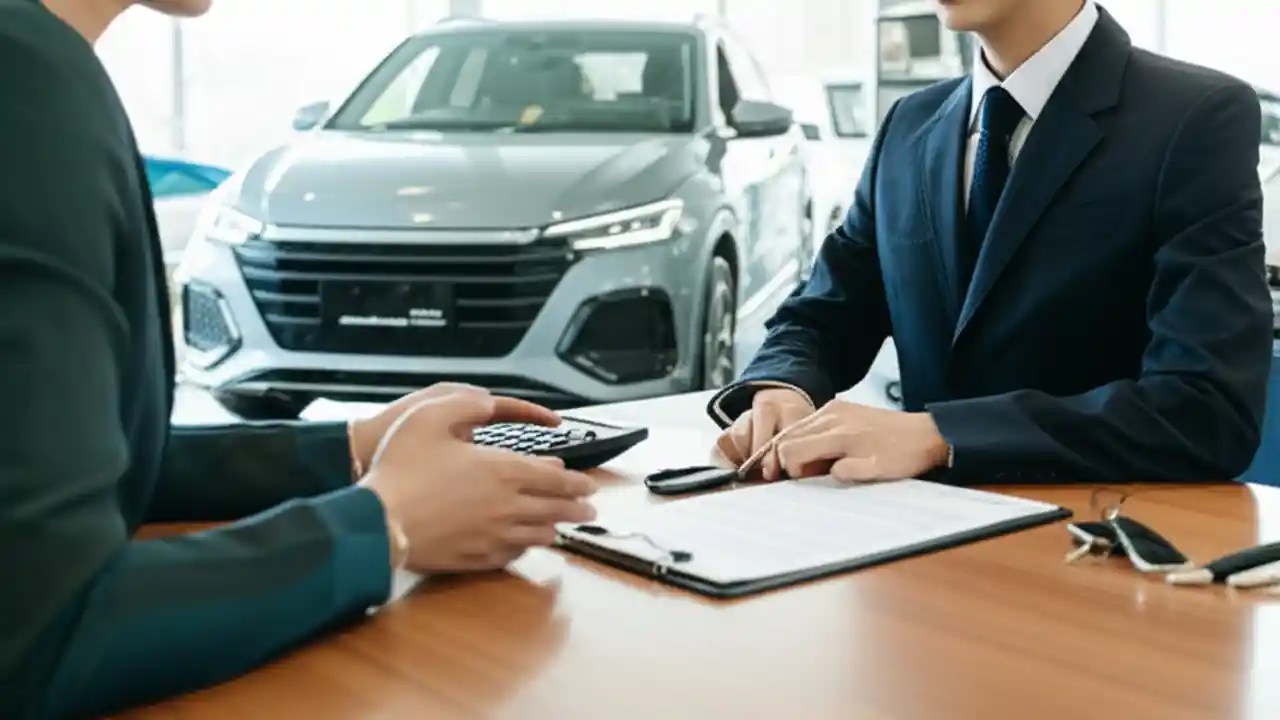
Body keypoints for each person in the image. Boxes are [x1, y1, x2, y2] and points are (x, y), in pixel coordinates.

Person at [0, 1, 597, 717]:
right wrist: (386, 523)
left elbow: (65, 467)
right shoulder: (25, 76)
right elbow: (42, 629)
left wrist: (348, 450)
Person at [713, 0, 1273, 485]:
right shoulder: (910, 125)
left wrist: (942, 435)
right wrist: (784, 388)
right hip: (908, 550)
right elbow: (826, 313)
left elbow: (1207, 410)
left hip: (1092, 554)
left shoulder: (1195, 117)